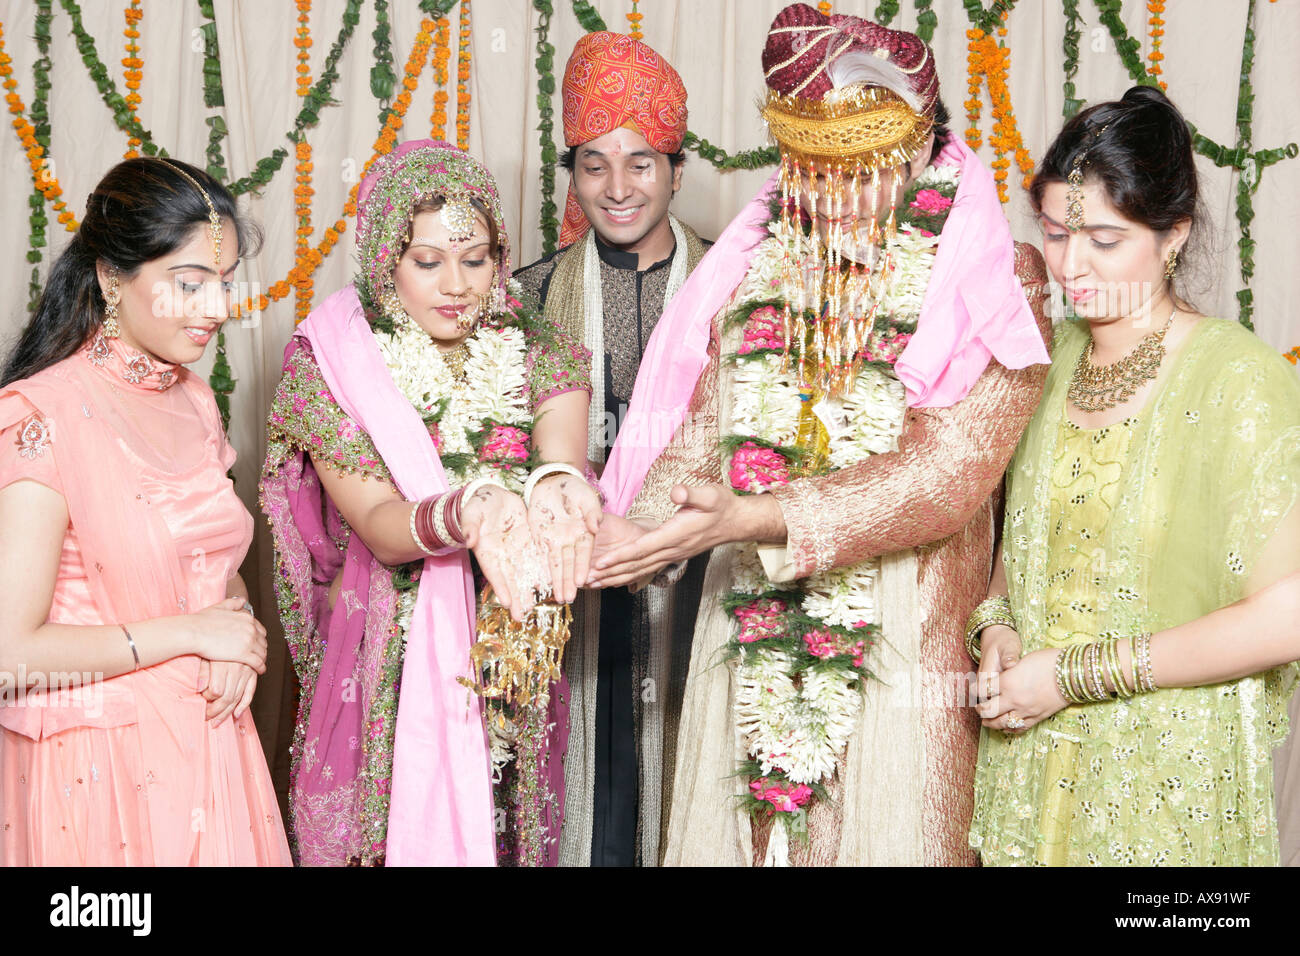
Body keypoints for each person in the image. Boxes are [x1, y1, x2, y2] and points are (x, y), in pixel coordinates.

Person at [588, 3, 1053, 866]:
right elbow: (706, 426)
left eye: (864, 170)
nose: (837, 200)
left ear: (921, 149)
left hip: (906, 641)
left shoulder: (1002, 277)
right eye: (813, 171)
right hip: (752, 623)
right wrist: (633, 531)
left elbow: (945, 478)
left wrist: (753, 520)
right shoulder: (768, 262)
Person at [967, 87, 1300, 866]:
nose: (1070, 266)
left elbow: (1287, 614)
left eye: (1105, 241)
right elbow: (1024, 553)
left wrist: (1074, 676)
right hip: (1031, 774)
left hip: (1162, 792)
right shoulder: (1044, 367)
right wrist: (999, 630)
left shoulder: (1237, 380)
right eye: (1054, 233)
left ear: (1174, 233)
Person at [261, 140, 599, 866]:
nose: (457, 286)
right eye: (428, 261)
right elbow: (382, 528)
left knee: (499, 827)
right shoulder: (336, 361)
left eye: (475, 259)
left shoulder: (541, 348)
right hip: (385, 646)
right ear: (387, 259)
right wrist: (467, 511)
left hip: (511, 640)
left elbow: (560, 461)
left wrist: (558, 490)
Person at [0, 158, 290, 865]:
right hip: (95, 774)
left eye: (224, 285)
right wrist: (194, 633)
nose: (217, 309)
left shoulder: (195, 401)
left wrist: (238, 631)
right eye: (189, 284)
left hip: (211, 747)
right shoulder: (45, 415)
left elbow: (212, 571)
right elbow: (11, 656)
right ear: (110, 277)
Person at [512, 31, 711, 867]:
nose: (618, 187)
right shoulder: (523, 296)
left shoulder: (735, 289)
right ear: (571, 175)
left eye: (640, 162)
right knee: (588, 800)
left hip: (699, 575)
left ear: (676, 166)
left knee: (687, 775)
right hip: (571, 587)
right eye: (593, 164)